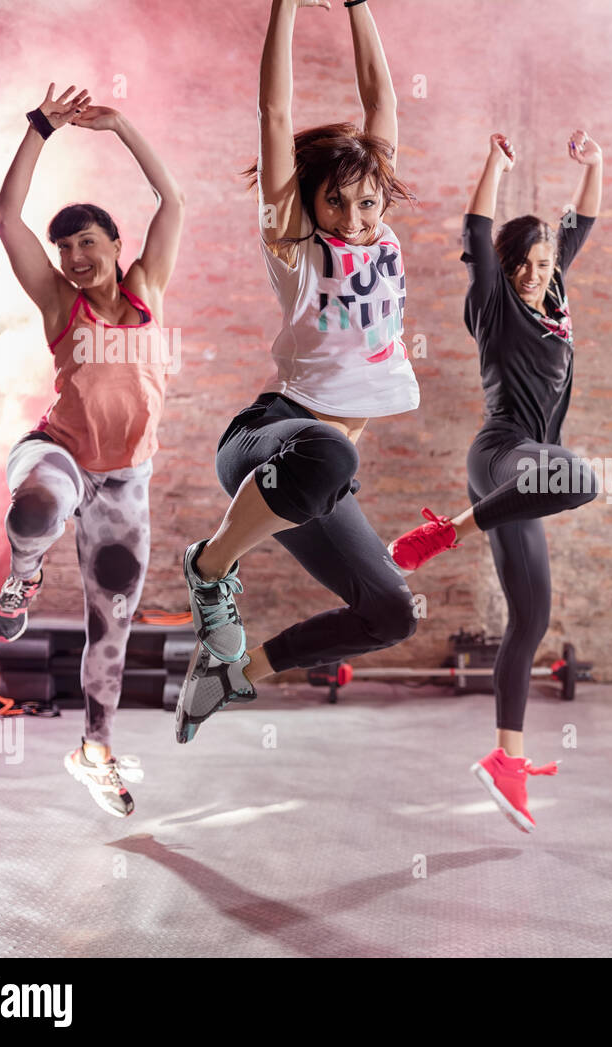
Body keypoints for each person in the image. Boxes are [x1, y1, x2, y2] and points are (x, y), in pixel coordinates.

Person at [175, 0, 420, 742]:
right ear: (308, 203)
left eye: (367, 201)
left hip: (318, 475)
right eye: (336, 201)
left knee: (391, 614)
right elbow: (273, 113)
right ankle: (209, 566)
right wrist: (285, 5)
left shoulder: (378, 226)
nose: (354, 215)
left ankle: (235, 673)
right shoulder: (296, 246)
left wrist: (357, 6)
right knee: (331, 447)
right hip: (268, 437)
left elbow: (381, 96)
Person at [385, 130, 603, 832]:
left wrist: (594, 165)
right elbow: (477, 230)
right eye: (529, 263)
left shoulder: (554, 288)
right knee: (580, 475)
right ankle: (447, 530)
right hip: (503, 456)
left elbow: (582, 223)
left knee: (531, 617)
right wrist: (496, 166)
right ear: (508, 267)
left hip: (527, 475)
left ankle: (507, 759)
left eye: (547, 262)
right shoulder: (495, 300)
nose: (540, 272)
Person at [0, 83, 185, 817]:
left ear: (115, 246)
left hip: (125, 484)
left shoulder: (147, 290)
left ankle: (94, 748)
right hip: (57, 455)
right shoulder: (56, 303)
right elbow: (7, 217)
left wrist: (121, 125)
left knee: (114, 623)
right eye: (65, 246)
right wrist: (40, 127)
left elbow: (173, 200)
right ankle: (25, 578)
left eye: (85, 243)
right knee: (38, 508)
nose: (72, 256)